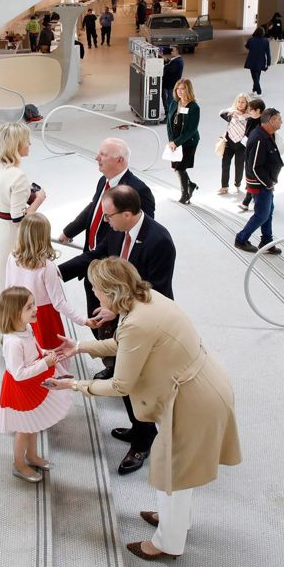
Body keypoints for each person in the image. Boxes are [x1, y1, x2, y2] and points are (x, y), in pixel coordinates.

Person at [45, 258, 241, 561]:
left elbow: (120, 384)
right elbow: (127, 344)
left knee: (172, 473)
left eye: (96, 289)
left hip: (193, 401)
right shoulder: (146, 299)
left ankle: (167, 543)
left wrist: (75, 385)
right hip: (201, 383)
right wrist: (80, 346)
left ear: (111, 291)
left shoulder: (137, 321)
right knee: (179, 470)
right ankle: (177, 520)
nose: (94, 293)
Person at [57, 186, 175, 476]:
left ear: (128, 213)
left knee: (137, 382)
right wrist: (55, 273)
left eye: (109, 216)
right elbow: (95, 255)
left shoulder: (159, 240)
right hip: (124, 317)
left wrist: (119, 307)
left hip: (146, 322)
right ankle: (139, 428)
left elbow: (157, 289)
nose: (105, 221)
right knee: (126, 373)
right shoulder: (116, 231)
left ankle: (144, 441)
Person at [57, 137, 156, 375]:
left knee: (115, 327)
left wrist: (120, 304)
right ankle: (111, 364)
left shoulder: (138, 191)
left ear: (120, 160)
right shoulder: (105, 181)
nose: (96, 158)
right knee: (97, 321)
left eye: (103, 154)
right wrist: (70, 231)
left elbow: (139, 240)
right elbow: (93, 209)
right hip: (93, 264)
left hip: (115, 273)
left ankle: (120, 370)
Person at [0, 286, 71, 483]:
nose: (36, 309)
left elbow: (35, 347)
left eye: (34, 304)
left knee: (34, 423)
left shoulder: (27, 328)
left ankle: (32, 455)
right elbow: (18, 374)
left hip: (34, 382)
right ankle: (19, 464)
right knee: (24, 428)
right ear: (15, 313)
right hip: (22, 389)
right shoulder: (12, 342)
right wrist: (44, 363)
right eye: (29, 307)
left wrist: (44, 353)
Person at [6, 213, 89, 359]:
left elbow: (9, 289)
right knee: (53, 354)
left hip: (20, 313)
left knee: (29, 354)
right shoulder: (47, 266)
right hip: (45, 318)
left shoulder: (12, 257)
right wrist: (83, 320)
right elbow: (59, 303)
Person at [0, 122, 47, 295]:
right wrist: (39, 199)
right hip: (11, 236)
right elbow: (20, 220)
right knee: (13, 281)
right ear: (17, 144)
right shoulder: (17, 176)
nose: (30, 144)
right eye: (27, 140)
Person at [234, 107, 284, 255]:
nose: (281, 122)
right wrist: (267, 183)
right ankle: (241, 239)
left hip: (265, 183)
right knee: (262, 214)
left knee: (268, 211)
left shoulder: (267, 135)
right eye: (279, 119)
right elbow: (255, 166)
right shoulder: (260, 139)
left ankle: (267, 241)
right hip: (260, 184)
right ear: (271, 121)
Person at [167, 79, 200, 204]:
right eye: (178, 89)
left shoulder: (194, 107)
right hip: (175, 141)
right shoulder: (174, 103)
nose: (179, 91)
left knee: (180, 168)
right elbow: (169, 124)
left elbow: (192, 130)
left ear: (188, 90)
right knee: (176, 167)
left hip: (188, 142)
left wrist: (177, 142)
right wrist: (171, 140)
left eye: (183, 89)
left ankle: (185, 194)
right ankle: (190, 185)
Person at [234, 98, 264, 214]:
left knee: (255, 177)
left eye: (251, 109)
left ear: (258, 110)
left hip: (259, 153)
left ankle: (247, 202)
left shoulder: (264, 122)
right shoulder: (250, 120)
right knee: (250, 176)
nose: (249, 111)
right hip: (249, 151)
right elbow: (246, 134)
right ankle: (250, 201)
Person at [217, 94, 250, 194]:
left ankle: (237, 185)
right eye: (238, 101)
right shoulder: (232, 112)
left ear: (247, 103)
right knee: (225, 164)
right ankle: (224, 186)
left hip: (241, 145)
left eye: (243, 102)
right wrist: (233, 112)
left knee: (239, 166)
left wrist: (245, 116)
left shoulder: (249, 116)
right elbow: (221, 113)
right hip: (229, 143)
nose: (240, 104)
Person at [244, 26, 271, 95]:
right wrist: (268, 63)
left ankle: (259, 92)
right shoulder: (266, 41)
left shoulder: (251, 40)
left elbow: (247, 46)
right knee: (257, 76)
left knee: (254, 77)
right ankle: (254, 90)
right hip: (261, 60)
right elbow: (268, 53)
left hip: (252, 60)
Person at [160, 46, 183, 123]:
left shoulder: (178, 61)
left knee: (169, 100)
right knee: (166, 98)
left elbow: (169, 68)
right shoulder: (175, 60)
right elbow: (169, 63)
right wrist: (164, 59)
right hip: (167, 84)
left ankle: (169, 117)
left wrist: (161, 65)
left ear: (177, 51)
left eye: (173, 50)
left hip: (171, 85)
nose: (171, 52)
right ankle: (167, 111)